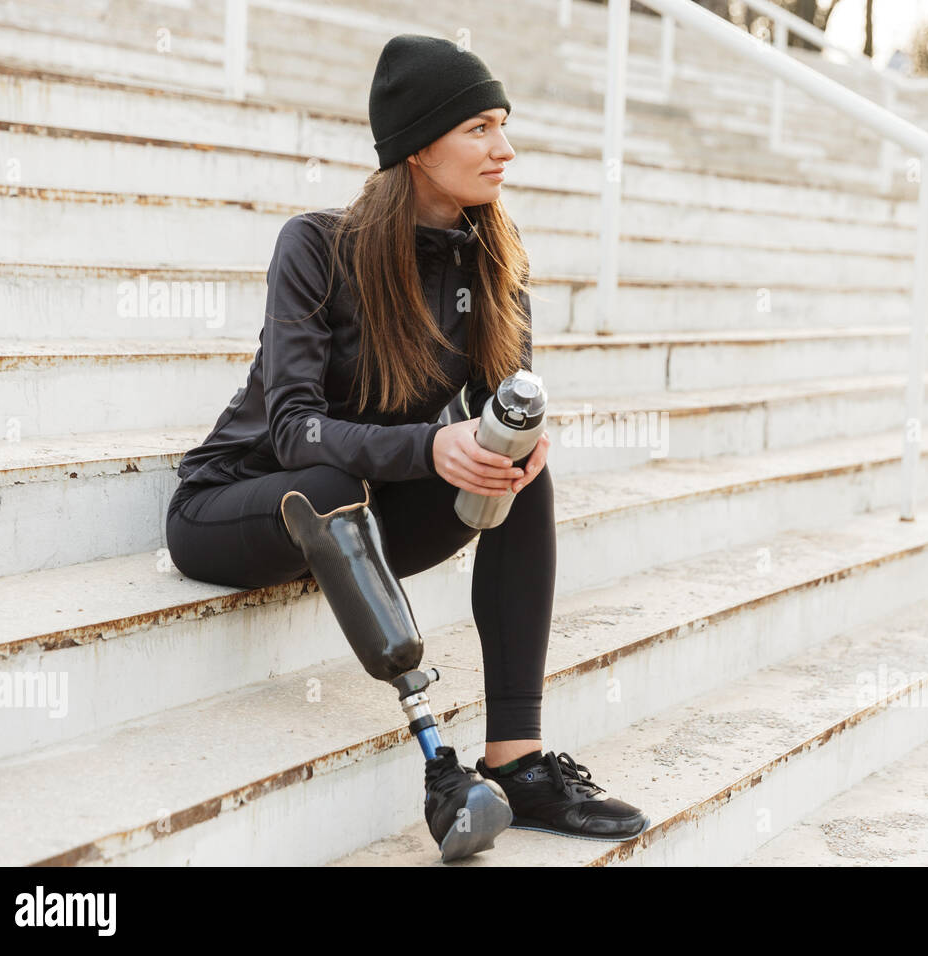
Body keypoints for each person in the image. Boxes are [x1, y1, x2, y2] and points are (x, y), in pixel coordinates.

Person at [164, 34, 649, 856]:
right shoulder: (317, 247)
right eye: (480, 129)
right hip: (239, 503)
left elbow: (504, 405)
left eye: (504, 126)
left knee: (522, 477)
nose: (506, 149)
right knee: (322, 483)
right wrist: (431, 449)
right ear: (419, 147)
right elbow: (291, 430)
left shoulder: (495, 260)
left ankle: (519, 764)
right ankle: (435, 755)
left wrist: (514, 445)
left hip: (370, 516)